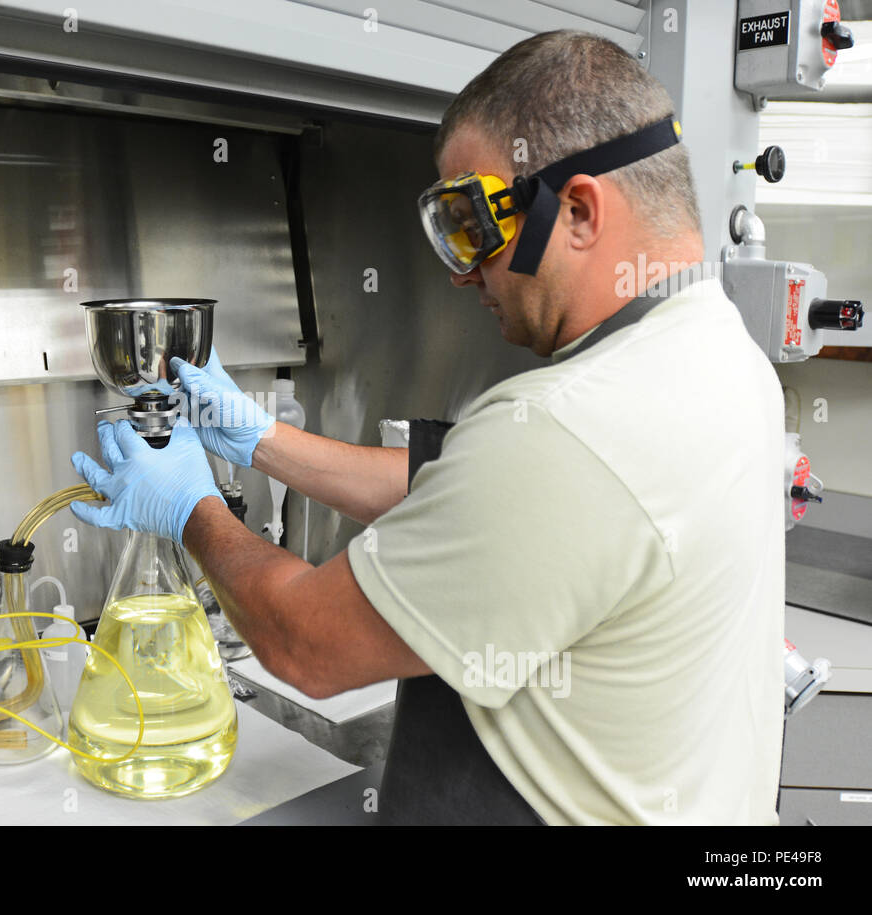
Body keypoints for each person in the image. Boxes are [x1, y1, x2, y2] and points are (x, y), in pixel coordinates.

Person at [69, 30, 784, 825]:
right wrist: (260, 440)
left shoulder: (567, 428)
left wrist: (188, 508)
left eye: (475, 224)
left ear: (578, 209)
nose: (460, 269)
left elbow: (306, 643)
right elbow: (478, 494)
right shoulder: (723, 355)